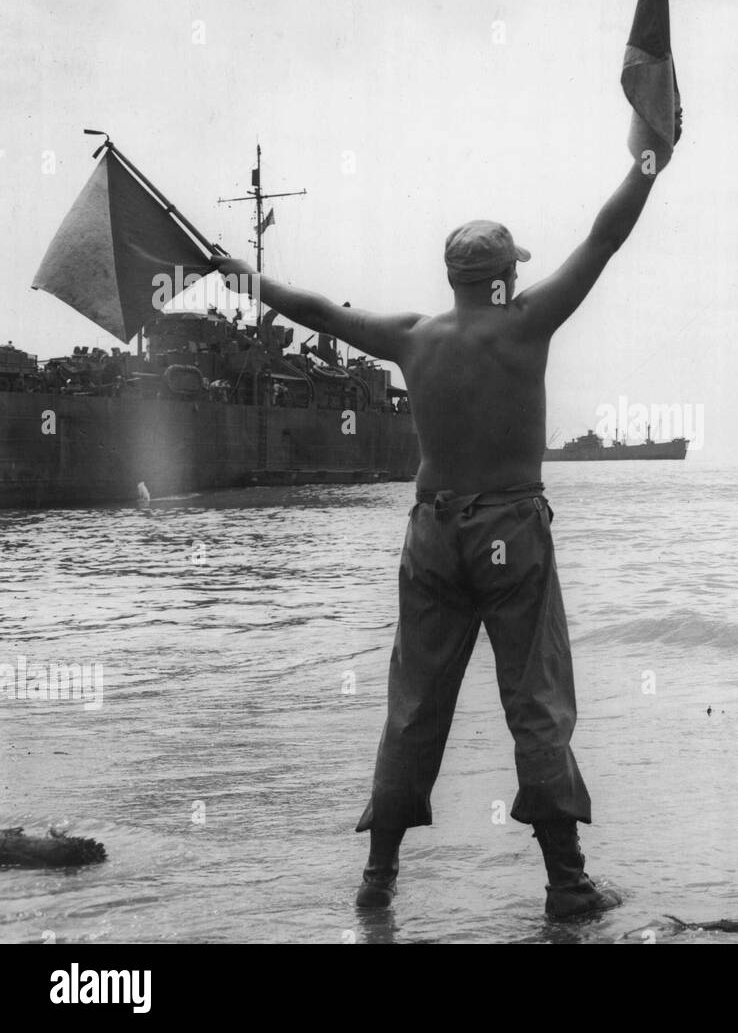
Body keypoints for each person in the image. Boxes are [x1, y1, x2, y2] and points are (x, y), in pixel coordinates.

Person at [213, 114, 674, 919]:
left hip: (431, 532)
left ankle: (377, 882)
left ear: (454, 277)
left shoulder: (412, 338)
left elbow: (315, 309)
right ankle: (566, 884)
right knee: (535, 698)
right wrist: (648, 160)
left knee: (415, 704)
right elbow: (605, 236)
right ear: (503, 276)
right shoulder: (526, 323)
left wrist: (237, 276)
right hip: (510, 530)